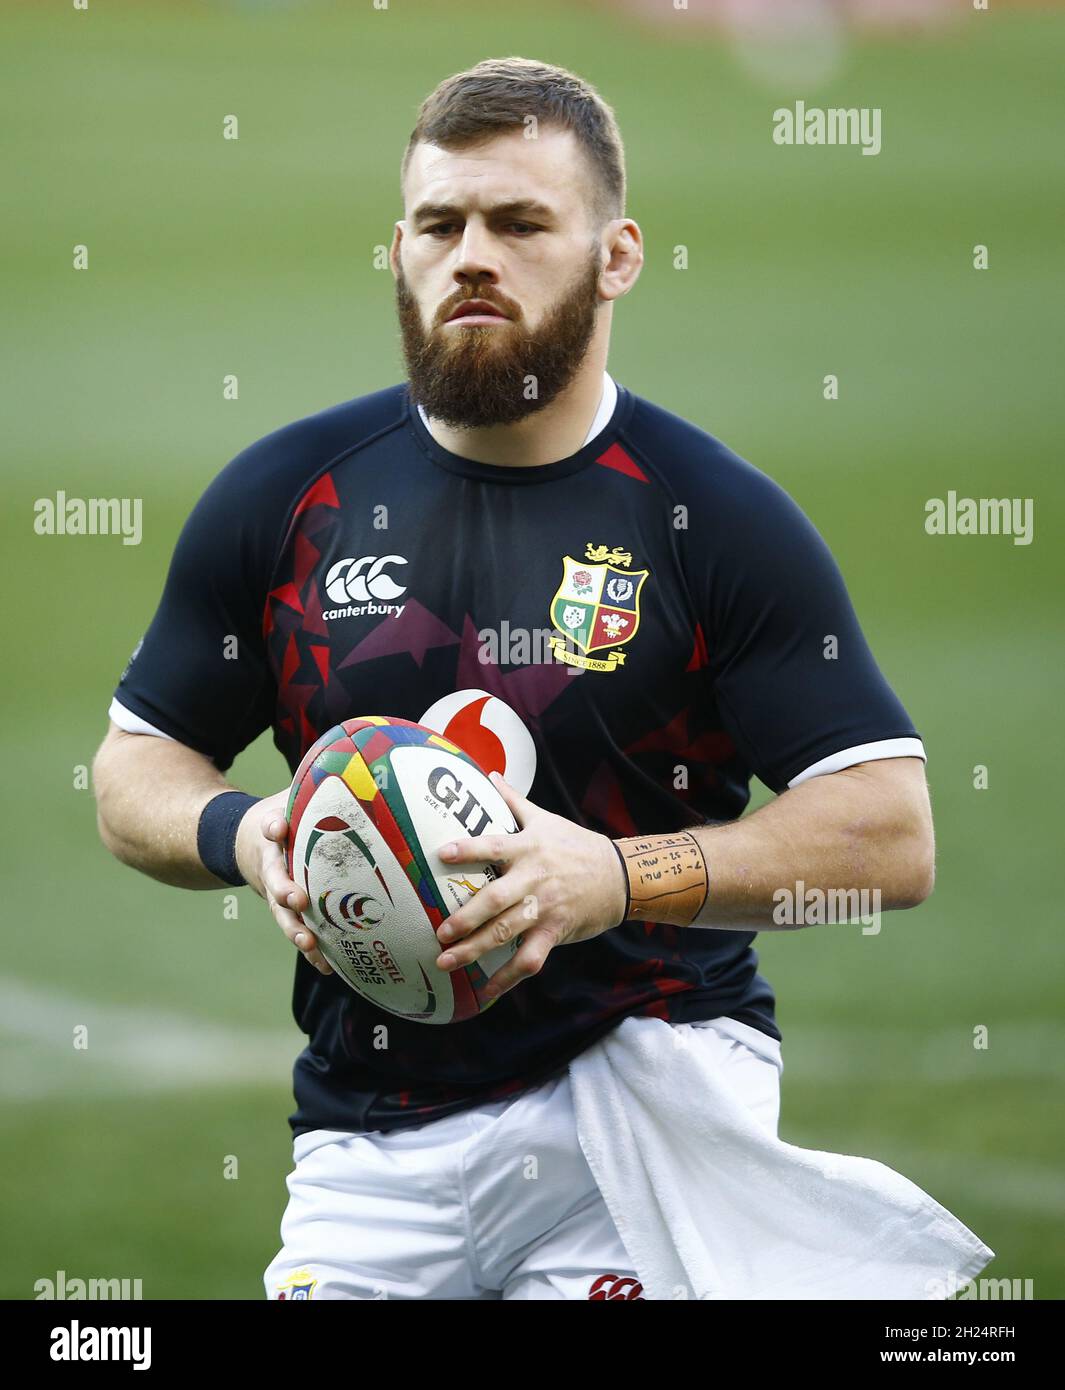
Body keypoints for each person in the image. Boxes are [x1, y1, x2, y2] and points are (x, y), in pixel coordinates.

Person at [93, 57, 936, 1300]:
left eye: (521, 223)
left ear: (618, 255)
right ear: (399, 248)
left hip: (640, 1108)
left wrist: (614, 876)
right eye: (441, 225)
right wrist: (246, 829)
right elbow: (134, 769)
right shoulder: (285, 499)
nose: (471, 256)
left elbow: (888, 836)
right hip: (364, 1139)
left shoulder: (714, 517)